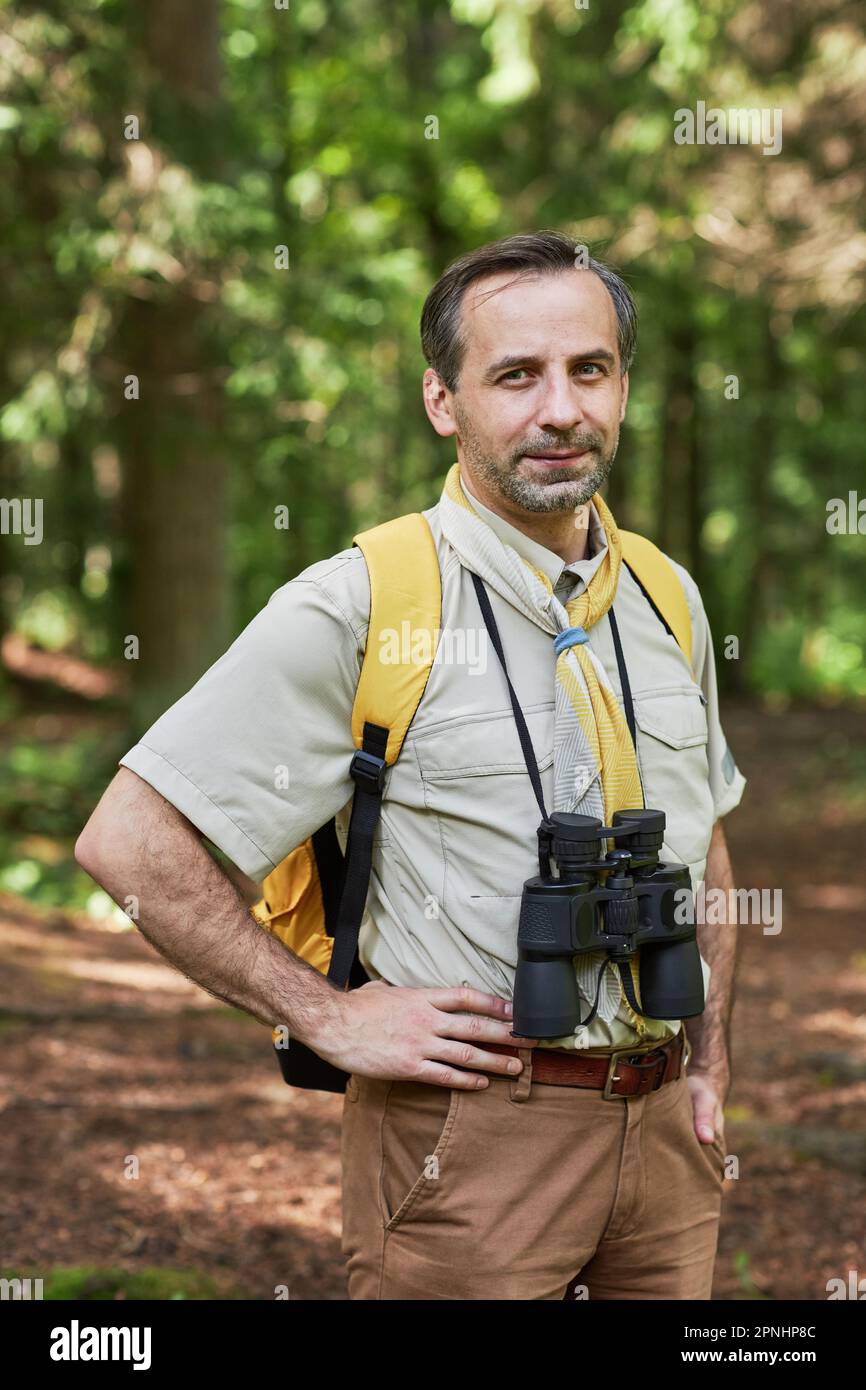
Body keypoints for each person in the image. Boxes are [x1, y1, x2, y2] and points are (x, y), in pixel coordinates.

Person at [76, 229, 746, 1300]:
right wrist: (326, 1013)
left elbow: (703, 835)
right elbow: (128, 840)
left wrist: (708, 1059)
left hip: (666, 1140)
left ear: (622, 385)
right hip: (467, 1142)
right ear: (443, 401)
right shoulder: (360, 603)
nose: (559, 409)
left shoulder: (665, 594)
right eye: (514, 376)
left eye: (588, 369)